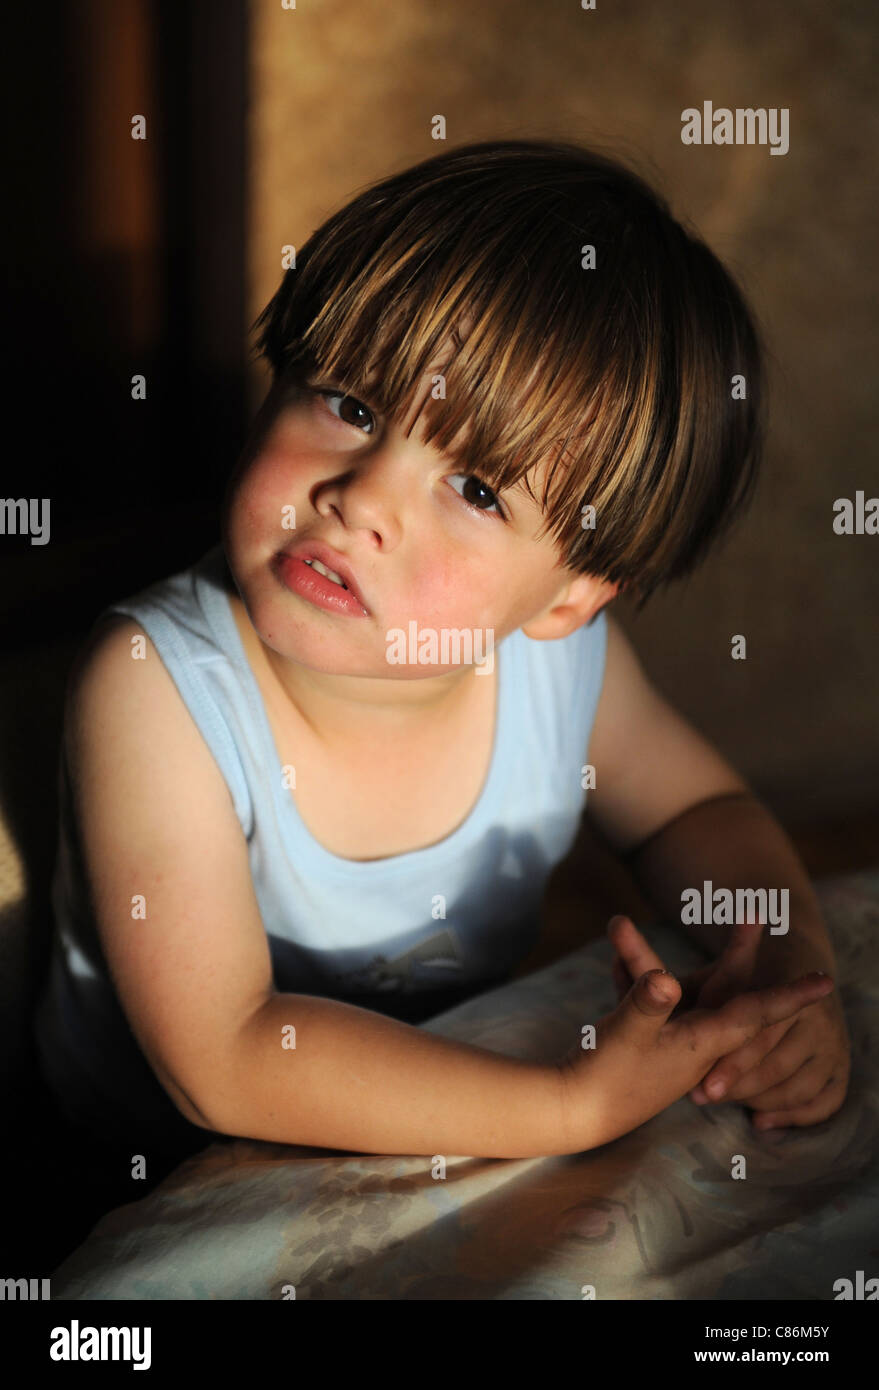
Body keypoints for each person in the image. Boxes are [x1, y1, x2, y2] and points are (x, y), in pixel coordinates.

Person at [34, 139, 850, 1186]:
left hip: (450, 1123)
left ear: (566, 599)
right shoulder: (155, 685)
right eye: (352, 405)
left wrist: (784, 963)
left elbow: (688, 815)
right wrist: (570, 1100)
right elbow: (226, 1056)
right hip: (159, 1172)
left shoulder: (564, 668)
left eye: (475, 491)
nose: (363, 499)